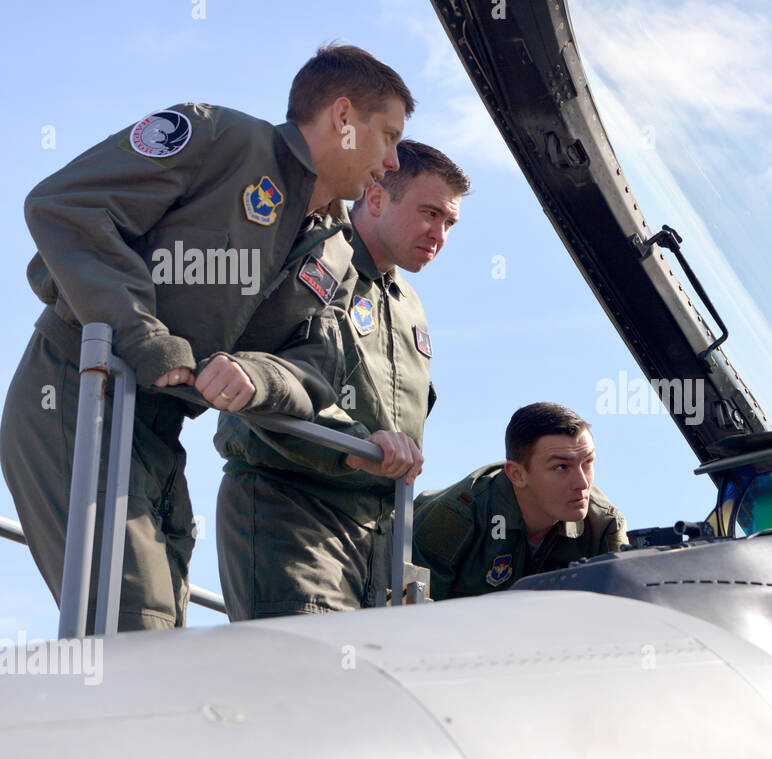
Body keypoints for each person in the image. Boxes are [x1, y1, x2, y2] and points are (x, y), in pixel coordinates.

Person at [0, 44, 415, 632]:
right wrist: (146, 336)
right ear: (344, 119)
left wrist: (259, 377)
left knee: (167, 634)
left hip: (162, 434)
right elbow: (66, 206)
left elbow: (317, 366)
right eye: (388, 136)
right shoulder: (216, 138)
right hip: (76, 393)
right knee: (131, 626)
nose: (394, 160)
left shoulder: (340, 251)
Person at [215, 140, 469, 619]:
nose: (439, 234)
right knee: (311, 678)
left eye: (449, 222)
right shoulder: (312, 255)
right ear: (375, 197)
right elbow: (262, 369)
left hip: (380, 537)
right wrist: (356, 443)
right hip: (294, 513)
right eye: (430, 213)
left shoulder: (408, 304)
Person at [412, 403, 628, 599]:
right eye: (561, 467)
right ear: (517, 474)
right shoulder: (455, 518)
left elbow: (624, 613)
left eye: (588, 462)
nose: (582, 483)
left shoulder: (602, 525)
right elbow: (411, 618)